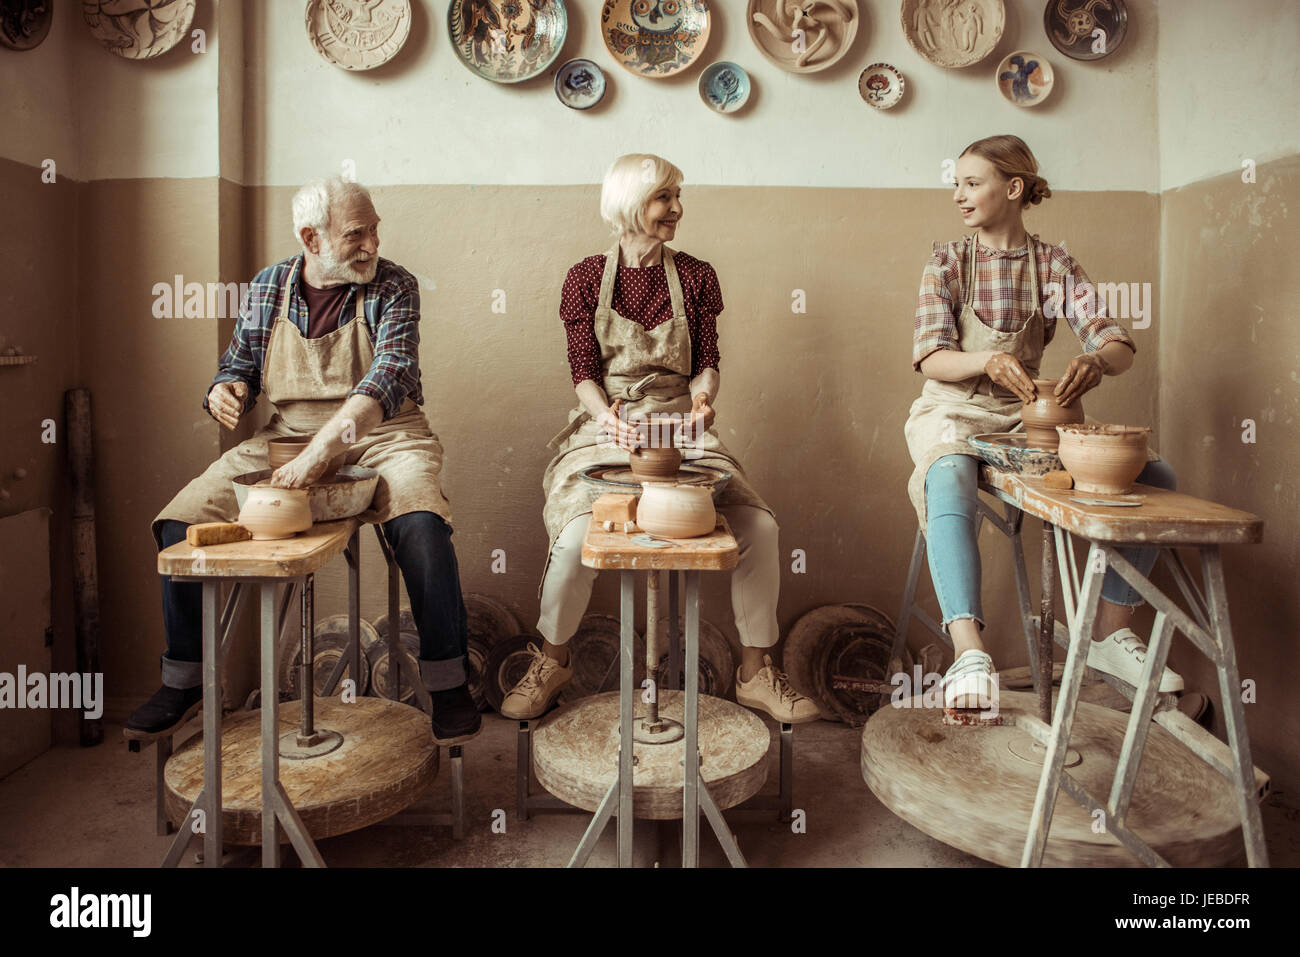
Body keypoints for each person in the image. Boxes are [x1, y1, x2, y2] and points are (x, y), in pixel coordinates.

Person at [125, 177, 480, 746]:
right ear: (312, 238)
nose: (373, 244)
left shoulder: (395, 286)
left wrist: (323, 454)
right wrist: (225, 389)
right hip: (287, 434)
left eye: (374, 229)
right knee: (179, 524)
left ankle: (447, 685)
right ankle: (186, 679)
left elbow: (388, 375)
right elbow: (238, 363)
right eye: (356, 233)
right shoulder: (269, 285)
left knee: (421, 525)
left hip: (383, 433)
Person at [500, 153, 819, 724]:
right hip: (609, 423)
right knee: (576, 538)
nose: (676, 208)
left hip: (680, 424)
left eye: (677, 196)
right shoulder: (584, 279)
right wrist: (608, 419)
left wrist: (703, 401)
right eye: (663, 198)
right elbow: (583, 373)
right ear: (629, 204)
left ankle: (755, 671)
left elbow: (708, 362)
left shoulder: (695, 275)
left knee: (760, 526)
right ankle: (553, 660)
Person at [905, 134, 1183, 710]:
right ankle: (969, 652)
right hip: (953, 408)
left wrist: (1096, 361)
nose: (958, 194)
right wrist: (985, 360)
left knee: (1156, 475)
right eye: (955, 183)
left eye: (971, 182)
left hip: (1026, 412)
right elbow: (932, 357)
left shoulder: (1053, 264)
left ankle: (1108, 632)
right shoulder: (948, 260)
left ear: (1012, 188)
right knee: (949, 470)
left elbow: (1117, 344)